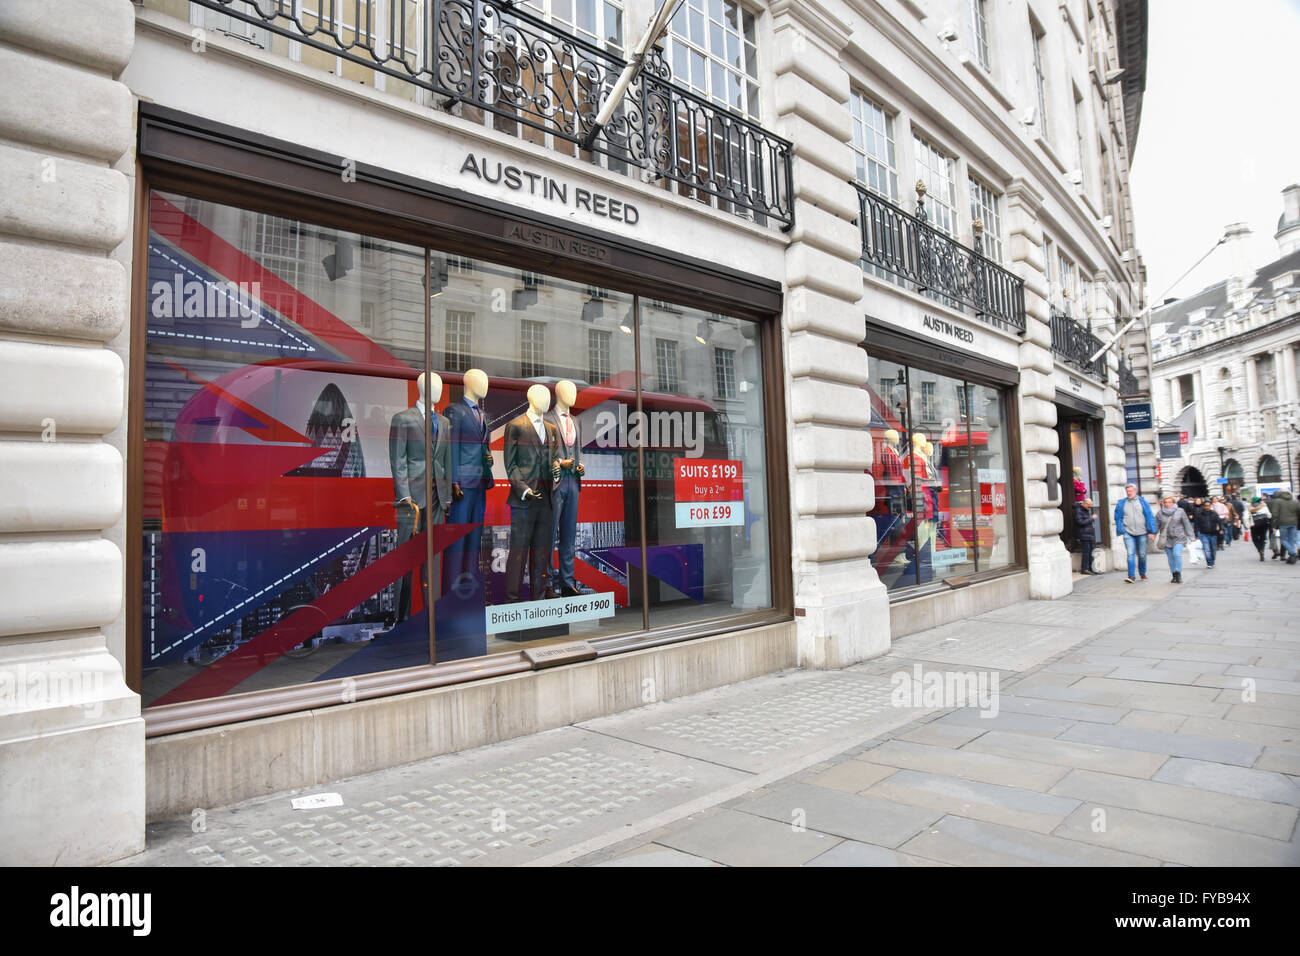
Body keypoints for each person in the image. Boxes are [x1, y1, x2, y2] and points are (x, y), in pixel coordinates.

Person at [1113, 484, 1157, 583]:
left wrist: (1152, 531)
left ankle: (1142, 573)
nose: (1129, 493)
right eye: (1127, 491)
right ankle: (1131, 576)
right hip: (1128, 532)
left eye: (1131, 491)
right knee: (1130, 554)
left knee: (1142, 554)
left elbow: (1150, 517)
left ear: (1135, 491)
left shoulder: (1143, 502)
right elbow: (1117, 517)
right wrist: (1122, 528)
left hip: (1142, 532)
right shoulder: (1121, 503)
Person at [1157, 493, 1195, 583]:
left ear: (1173, 503)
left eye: (1169, 502)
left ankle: (1178, 573)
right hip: (1167, 538)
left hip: (1179, 537)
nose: (1167, 504)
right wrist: (1152, 533)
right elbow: (1156, 524)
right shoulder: (1160, 513)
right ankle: (1174, 574)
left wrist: (1191, 536)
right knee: (1170, 558)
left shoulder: (1180, 511)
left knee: (1177, 554)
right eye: (1165, 502)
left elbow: (1186, 523)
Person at [1268, 489, 1300, 564]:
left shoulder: (1278, 502)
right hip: (1294, 523)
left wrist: (1274, 525)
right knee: (1291, 540)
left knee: (1283, 539)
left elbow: (1275, 514)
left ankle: (1292, 553)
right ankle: (1291, 557)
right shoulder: (1295, 501)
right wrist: (1297, 520)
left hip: (1283, 523)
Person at [1194, 500, 1222, 569]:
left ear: (1210, 506)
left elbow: (1219, 522)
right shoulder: (1199, 515)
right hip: (1203, 534)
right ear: (1203, 506)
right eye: (1205, 506)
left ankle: (1212, 560)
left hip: (1213, 533)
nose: (1207, 507)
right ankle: (1209, 563)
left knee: (1213, 549)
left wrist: (1221, 529)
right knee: (1207, 549)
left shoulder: (1214, 514)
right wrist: (1196, 533)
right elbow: (1196, 525)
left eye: (1208, 506)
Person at [1074, 496, 1097, 574]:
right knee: (1086, 552)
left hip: (1089, 534)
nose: (1090, 507)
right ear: (1085, 504)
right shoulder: (1079, 510)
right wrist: (1092, 518)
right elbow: (1080, 522)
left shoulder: (1085, 509)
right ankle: (1085, 569)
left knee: (1090, 552)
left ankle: (1090, 568)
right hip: (1084, 534)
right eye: (1089, 505)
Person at [1248, 496, 1272, 563]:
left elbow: (1246, 516)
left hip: (1254, 524)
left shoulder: (1249, 507)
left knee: (1255, 538)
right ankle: (1262, 550)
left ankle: (1259, 550)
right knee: (1263, 537)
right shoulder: (1264, 506)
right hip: (1264, 523)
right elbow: (1269, 515)